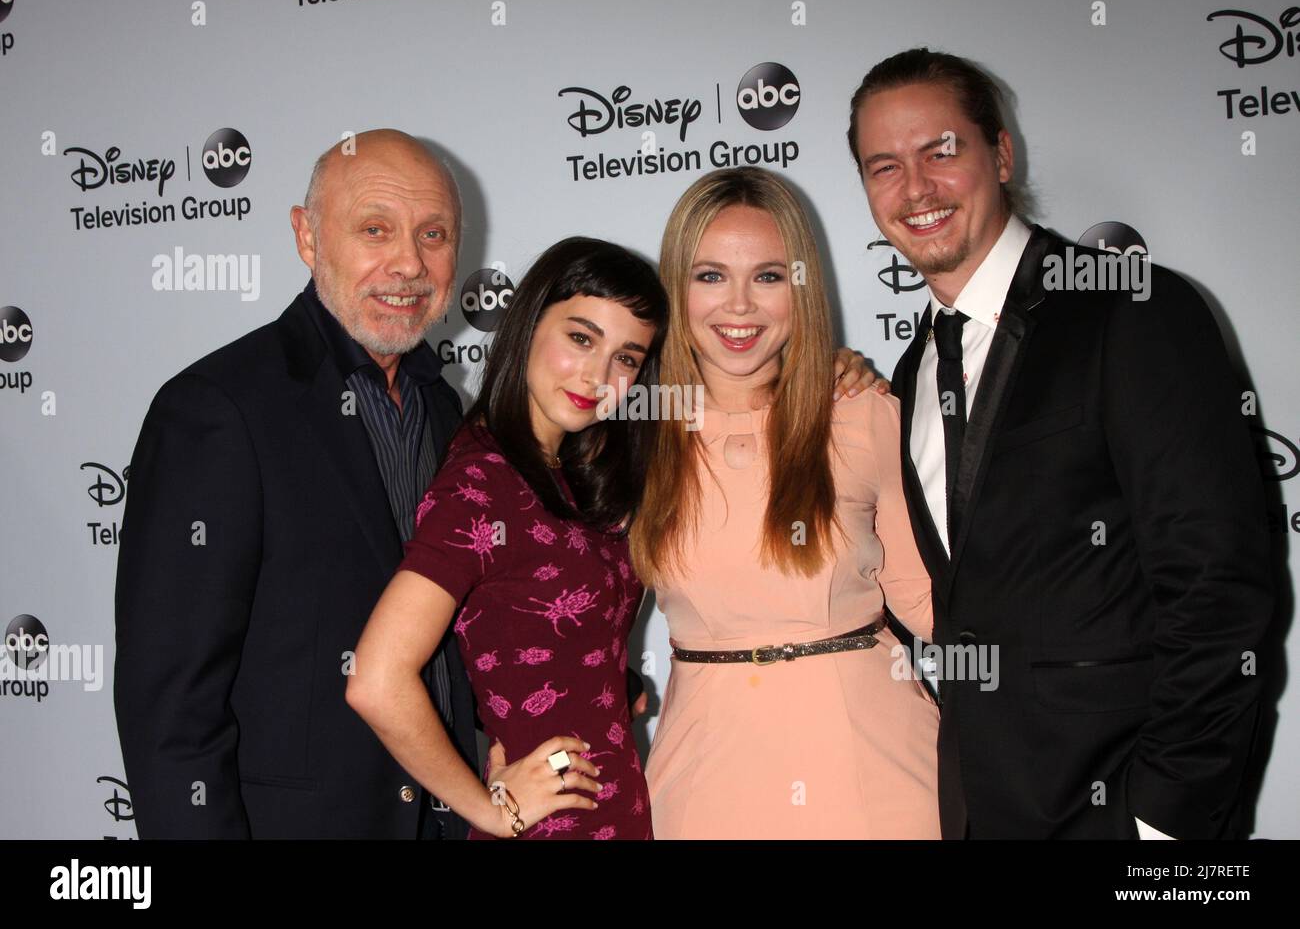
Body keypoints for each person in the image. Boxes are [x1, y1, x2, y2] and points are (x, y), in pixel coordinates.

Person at [846, 48, 1273, 839]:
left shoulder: (1130, 309)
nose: (916, 189)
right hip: (985, 806)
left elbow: (1218, 587)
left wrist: (1164, 823)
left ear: (1001, 153)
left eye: (942, 150)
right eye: (884, 166)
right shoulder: (909, 372)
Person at [116, 129, 587, 837]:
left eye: (434, 235)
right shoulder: (218, 410)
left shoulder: (447, 412)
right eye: (375, 229)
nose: (408, 264)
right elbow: (171, 706)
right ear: (307, 238)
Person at [636, 167, 940, 838]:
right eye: (710, 275)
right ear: (675, 286)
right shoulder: (635, 437)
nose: (739, 306)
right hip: (705, 781)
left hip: (876, 774)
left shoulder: (863, 414)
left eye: (769, 276)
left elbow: (928, 602)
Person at [348, 237, 666, 839]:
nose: (599, 375)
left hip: (618, 815)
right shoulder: (483, 478)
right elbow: (376, 678)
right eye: (581, 338)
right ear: (528, 322)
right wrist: (491, 808)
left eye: (626, 358)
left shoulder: (571, 471)